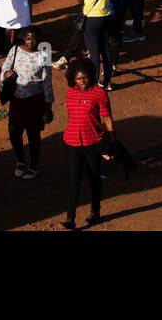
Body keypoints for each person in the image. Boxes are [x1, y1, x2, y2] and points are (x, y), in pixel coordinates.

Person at [61, 58, 114, 229]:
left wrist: (111, 136)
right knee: (74, 180)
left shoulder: (99, 93)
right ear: (73, 79)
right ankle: (70, 218)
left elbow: (106, 116)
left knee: (94, 178)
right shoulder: (70, 92)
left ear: (91, 76)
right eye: (78, 79)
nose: (82, 82)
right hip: (73, 142)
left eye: (85, 78)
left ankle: (95, 212)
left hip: (93, 141)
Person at [1, 25, 53, 179]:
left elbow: (47, 81)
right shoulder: (15, 50)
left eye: (35, 39)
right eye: (29, 38)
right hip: (17, 98)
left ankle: (34, 166)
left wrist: (48, 106)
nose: (32, 42)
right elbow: (4, 69)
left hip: (35, 100)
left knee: (33, 134)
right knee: (14, 131)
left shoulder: (44, 54)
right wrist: (6, 74)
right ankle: (21, 160)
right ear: (24, 38)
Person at [75, 0, 114, 89]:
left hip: (92, 19)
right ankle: (107, 81)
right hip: (106, 17)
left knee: (94, 54)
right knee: (106, 50)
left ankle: (94, 83)